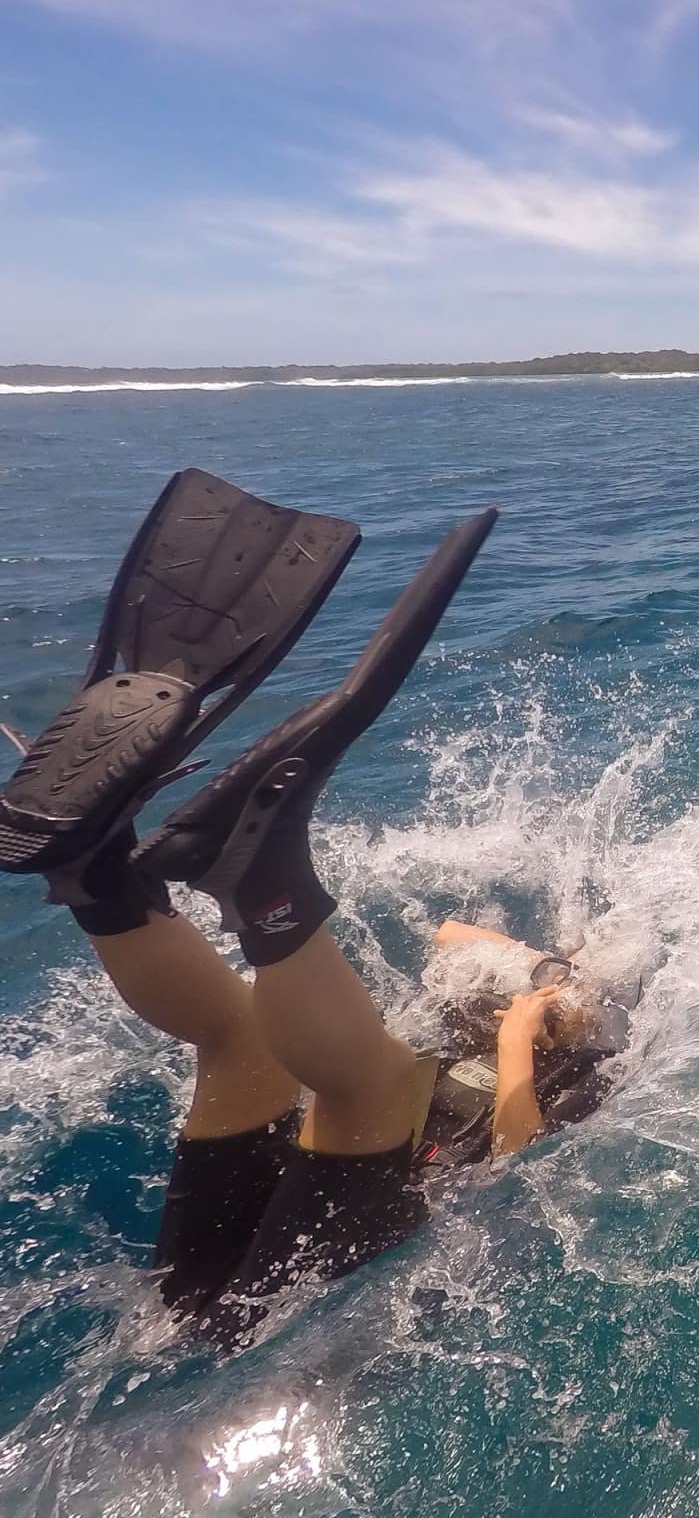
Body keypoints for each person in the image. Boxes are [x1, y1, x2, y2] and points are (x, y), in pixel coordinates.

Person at [0, 473, 619, 1346]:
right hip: (254, 1285)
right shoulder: (503, 1015)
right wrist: (550, 977)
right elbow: (450, 940)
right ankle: (150, 879)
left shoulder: (586, 1068)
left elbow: (522, 1168)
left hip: (248, 1322)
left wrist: (525, 1035)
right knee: (272, 1051)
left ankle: (117, 882)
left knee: (318, 1072)